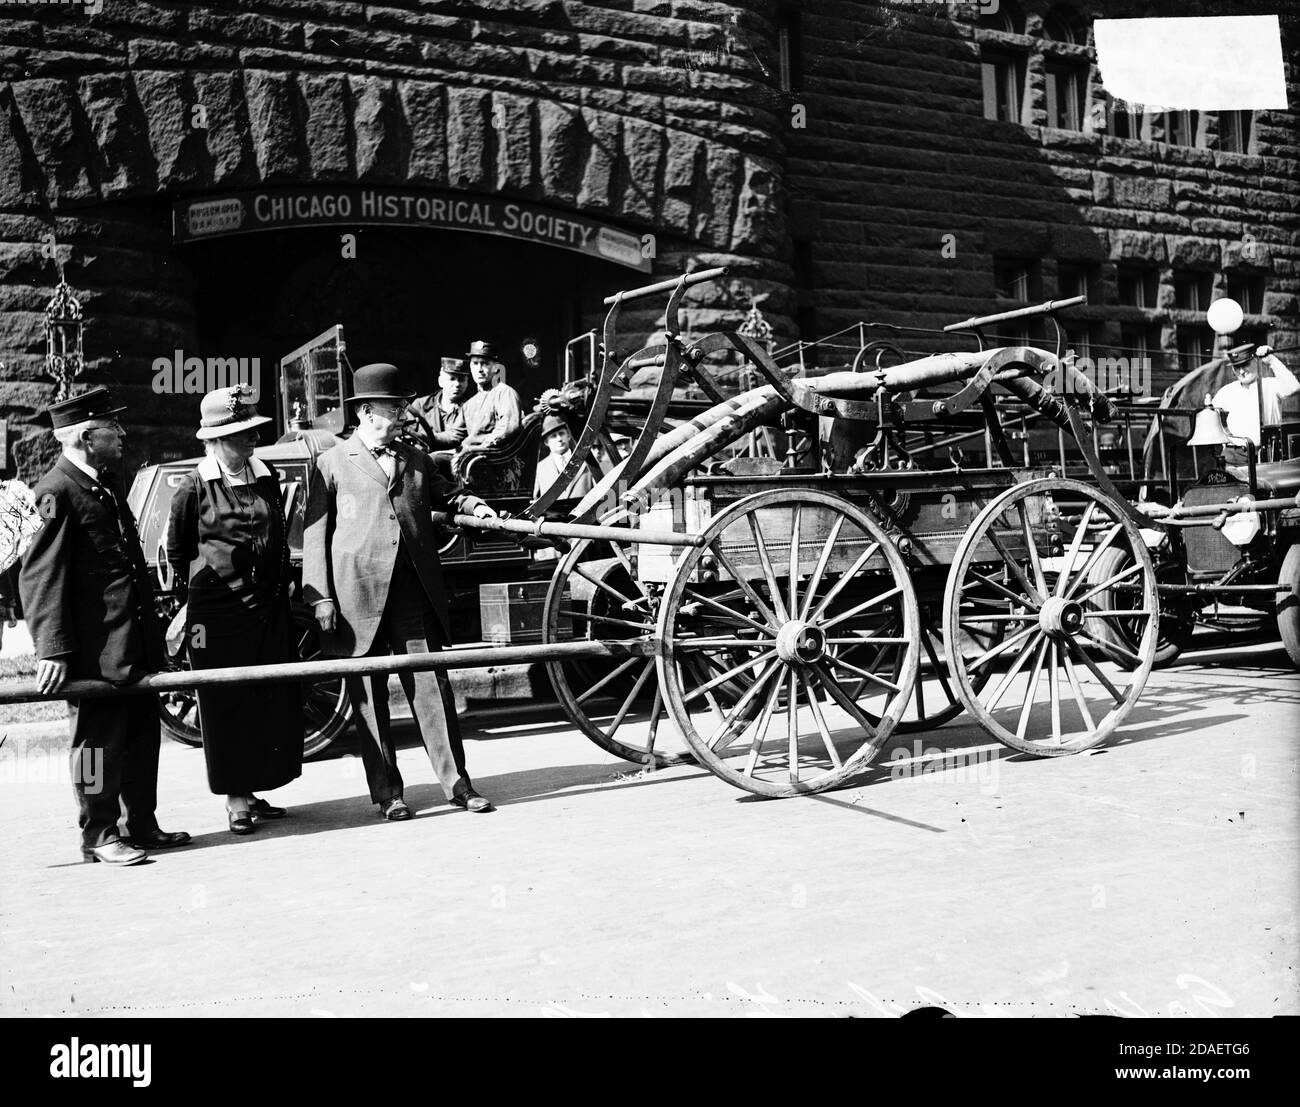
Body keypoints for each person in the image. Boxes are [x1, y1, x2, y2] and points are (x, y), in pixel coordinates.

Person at [301, 362, 499, 819]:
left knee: (433, 688)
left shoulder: (416, 457)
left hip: (412, 593)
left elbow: (451, 495)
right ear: (368, 412)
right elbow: (313, 536)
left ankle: (458, 785)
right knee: (368, 697)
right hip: (355, 599)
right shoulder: (331, 463)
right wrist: (321, 598)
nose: (404, 415)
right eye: (395, 408)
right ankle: (388, 794)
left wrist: (478, 506)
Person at [18, 388, 190, 865]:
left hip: (130, 642)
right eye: (112, 428)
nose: (122, 434)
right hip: (95, 651)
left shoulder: (107, 484)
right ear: (85, 437)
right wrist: (51, 649)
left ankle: (143, 825)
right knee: (97, 745)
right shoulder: (54, 492)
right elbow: (41, 576)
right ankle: (98, 833)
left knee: (140, 737)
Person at [165, 385, 302, 836]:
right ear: (215, 440)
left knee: (268, 699)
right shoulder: (194, 485)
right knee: (227, 702)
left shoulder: (264, 475)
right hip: (217, 615)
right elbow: (178, 548)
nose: (251, 441)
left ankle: (256, 786)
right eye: (242, 434)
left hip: (267, 608)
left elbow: (279, 532)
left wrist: (281, 583)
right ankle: (235, 799)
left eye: (253, 432)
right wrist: (188, 604)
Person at [1211, 343, 1299, 463]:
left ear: (1255, 362)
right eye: (1237, 367)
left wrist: (1272, 360)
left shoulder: (1270, 385)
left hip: (1268, 454)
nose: (1241, 371)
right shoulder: (1226, 392)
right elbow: (1211, 416)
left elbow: (1294, 387)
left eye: (1245, 365)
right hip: (1236, 456)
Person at [461, 339, 524, 449]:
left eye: (485, 364)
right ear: (470, 367)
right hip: (469, 455)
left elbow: (506, 429)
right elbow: (454, 435)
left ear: (495, 368)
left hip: (488, 456)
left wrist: (481, 447)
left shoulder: (504, 393)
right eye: (475, 363)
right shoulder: (469, 405)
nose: (479, 369)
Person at [409, 357, 475, 452]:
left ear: (467, 383)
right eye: (452, 379)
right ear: (441, 381)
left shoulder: (472, 407)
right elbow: (408, 435)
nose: (457, 384)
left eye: (461, 380)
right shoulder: (420, 405)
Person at [532, 415, 597, 501]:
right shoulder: (539, 469)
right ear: (546, 442)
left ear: (568, 436)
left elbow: (598, 494)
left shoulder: (586, 462)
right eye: (553, 436)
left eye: (561, 433)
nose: (559, 439)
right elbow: (534, 501)